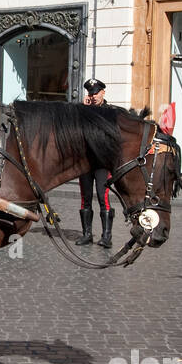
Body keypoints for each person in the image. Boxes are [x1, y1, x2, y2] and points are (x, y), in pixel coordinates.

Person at [77, 78, 115, 248]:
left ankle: (106, 236)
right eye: (90, 93)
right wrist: (83, 110)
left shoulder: (110, 112)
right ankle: (87, 234)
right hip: (85, 162)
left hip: (102, 163)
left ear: (103, 93)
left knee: (102, 197)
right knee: (85, 198)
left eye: (96, 93)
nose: (93, 96)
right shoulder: (84, 111)